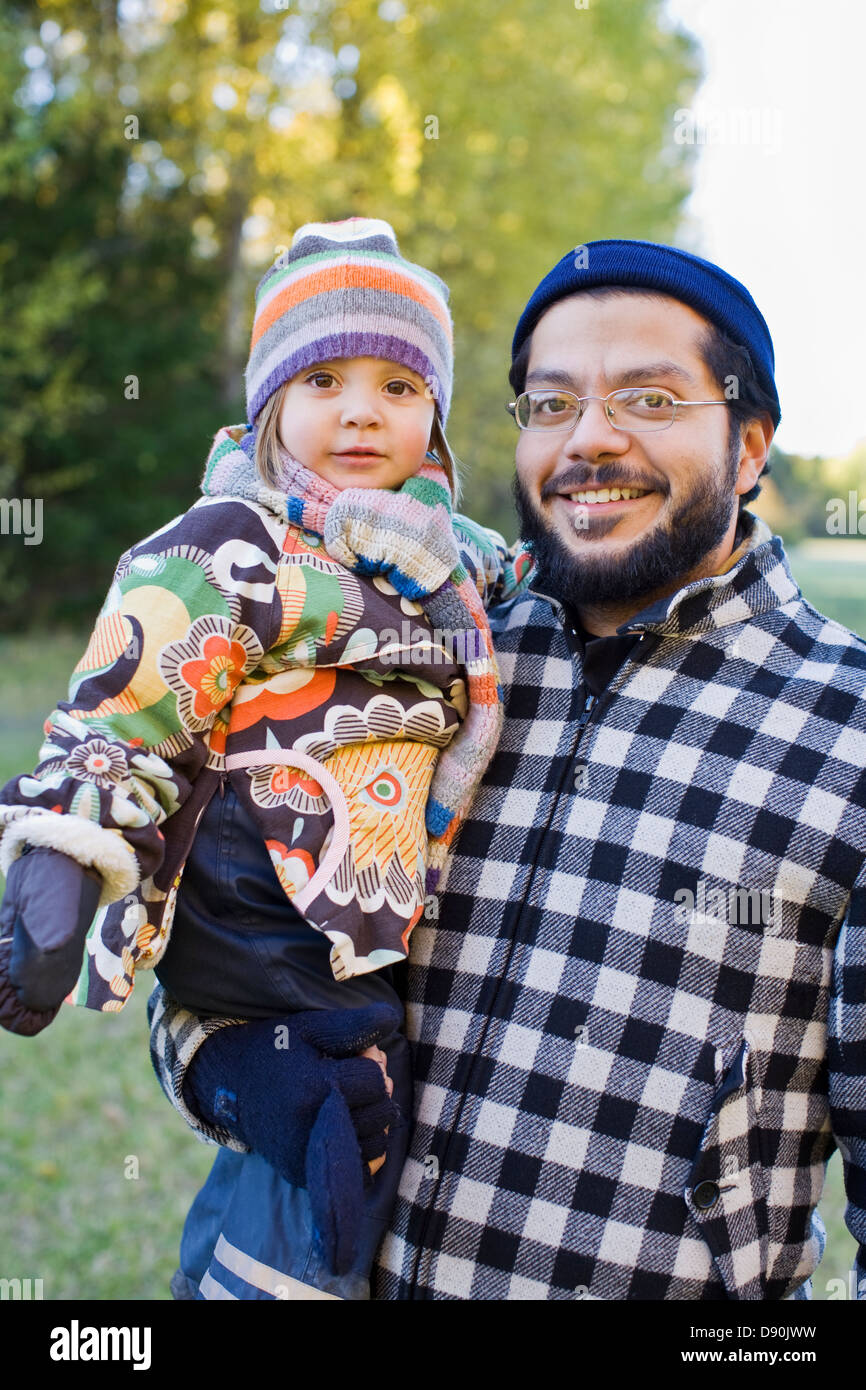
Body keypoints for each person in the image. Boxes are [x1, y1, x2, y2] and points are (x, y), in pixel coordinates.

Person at [148, 237, 866, 1301]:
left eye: (649, 400)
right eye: (547, 404)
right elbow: (221, 946)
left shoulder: (844, 731)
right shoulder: (408, 652)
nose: (589, 441)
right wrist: (234, 1069)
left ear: (750, 443)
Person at [0, 217, 531, 1299]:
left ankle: (285, 1227)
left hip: (369, 902)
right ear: (270, 402)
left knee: (359, 1113)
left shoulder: (453, 557)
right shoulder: (231, 539)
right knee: (321, 1110)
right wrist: (56, 866)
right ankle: (252, 1229)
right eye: (324, 376)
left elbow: (534, 584)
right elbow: (128, 702)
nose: (359, 409)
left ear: (432, 413)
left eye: (396, 384)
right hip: (258, 882)